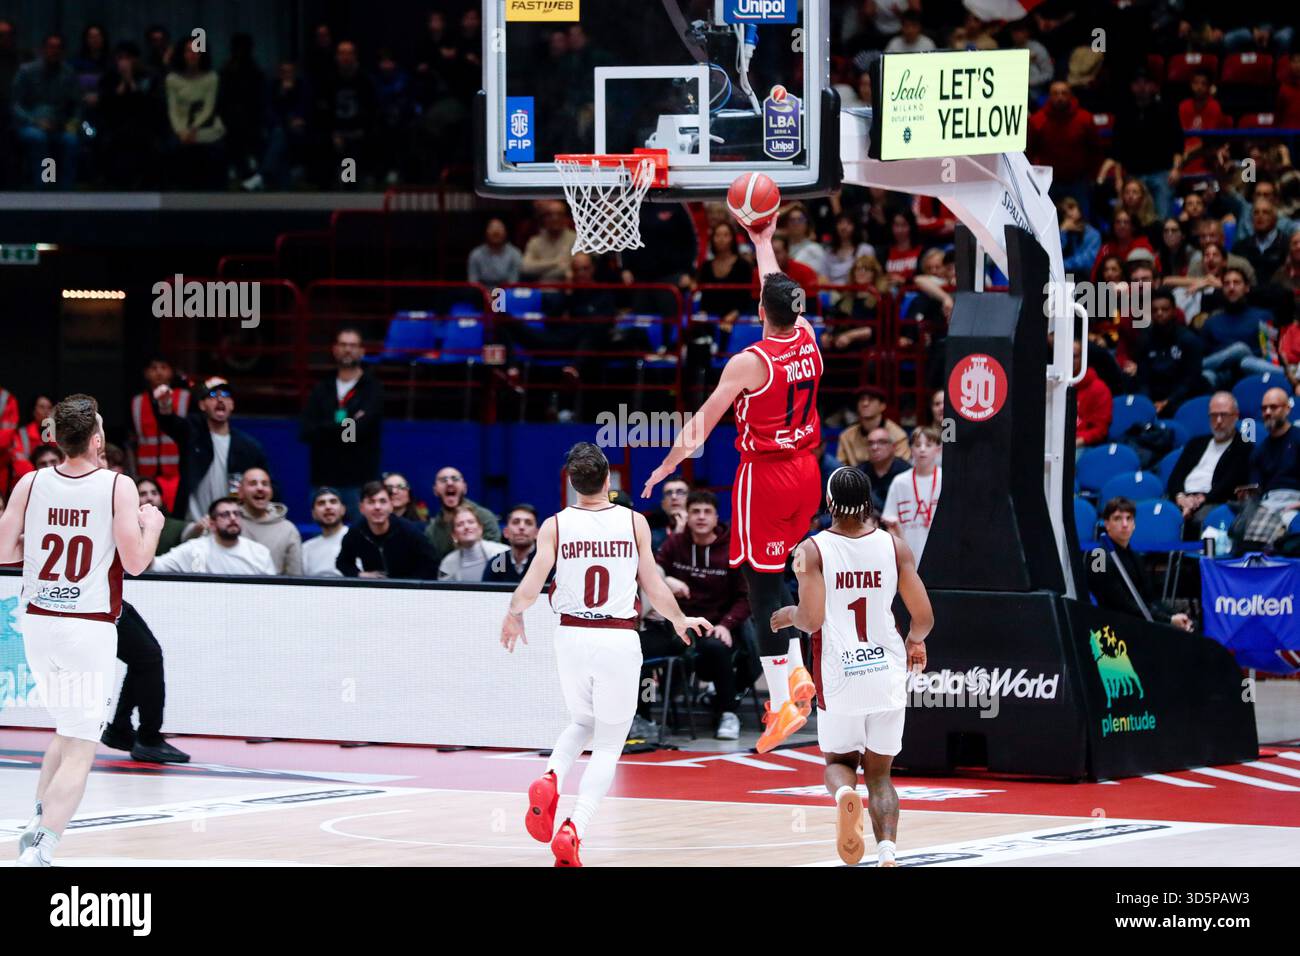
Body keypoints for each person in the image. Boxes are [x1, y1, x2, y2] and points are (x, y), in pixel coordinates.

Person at [643, 214, 823, 754]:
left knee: (760, 583)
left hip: (765, 477)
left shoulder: (749, 362)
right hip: (808, 472)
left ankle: (786, 696)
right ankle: (799, 675)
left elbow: (701, 422)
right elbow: (778, 291)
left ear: (760, 312)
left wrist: (668, 463)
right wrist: (763, 242)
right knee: (788, 574)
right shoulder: (809, 337)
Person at [502, 443, 711, 867]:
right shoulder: (634, 521)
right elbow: (653, 582)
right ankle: (574, 828)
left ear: (571, 483)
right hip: (617, 638)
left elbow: (532, 583)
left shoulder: (555, 525)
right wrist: (678, 619)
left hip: (571, 636)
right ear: (608, 483)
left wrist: (513, 613)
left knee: (581, 722)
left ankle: (551, 776)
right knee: (609, 745)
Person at [0, 394, 164, 866]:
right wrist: (150, 525)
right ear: (96, 439)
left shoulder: (30, 482)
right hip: (86, 627)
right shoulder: (118, 485)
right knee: (83, 743)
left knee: (68, 730)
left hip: (37, 621)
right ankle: (44, 845)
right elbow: (135, 562)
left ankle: (36, 820)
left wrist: (40, 547)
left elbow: (4, 548)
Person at [772, 466, 932, 866]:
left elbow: (810, 620)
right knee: (880, 774)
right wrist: (915, 641)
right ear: (868, 504)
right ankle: (888, 852)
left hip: (840, 674)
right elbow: (924, 617)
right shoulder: (895, 547)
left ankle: (845, 796)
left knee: (839, 763)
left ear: (829, 503)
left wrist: (789, 613)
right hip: (887, 674)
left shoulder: (811, 550)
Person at [650, 490, 753, 740]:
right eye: (695, 511)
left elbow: (746, 597)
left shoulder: (732, 549)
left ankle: (728, 713)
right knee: (642, 646)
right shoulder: (675, 543)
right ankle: (642, 716)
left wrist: (727, 624)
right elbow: (652, 571)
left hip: (717, 625)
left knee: (716, 648)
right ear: (688, 515)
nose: (701, 517)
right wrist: (668, 579)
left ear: (717, 517)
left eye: (707, 512)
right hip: (680, 624)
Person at [153, 376, 268, 523]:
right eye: (213, 395)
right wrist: (164, 404)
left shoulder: (248, 446)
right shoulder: (191, 433)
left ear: (232, 404)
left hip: (232, 526)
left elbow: (268, 484)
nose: (220, 400)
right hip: (193, 525)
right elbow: (170, 422)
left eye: (225, 395)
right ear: (202, 405)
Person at [300, 327, 383, 519]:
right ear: (335, 350)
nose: (347, 350)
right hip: (323, 482)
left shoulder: (372, 388)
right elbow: (306, 431)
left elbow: (358, 432)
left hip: (359, 483)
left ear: (362, 351)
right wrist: (347, 424)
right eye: (343, 345)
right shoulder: (321, 388)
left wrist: (326, 428)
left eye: (353, 345)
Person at [1087, 497, 1194, 631]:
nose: (1124, 524)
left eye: (1129, 518)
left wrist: (1174, 615)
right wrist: (1169, 620)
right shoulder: (1098, 556)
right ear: (1107, 524)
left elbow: (1150, 598)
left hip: (1136, 618)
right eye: (1117, 518)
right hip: (1111, 626)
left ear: (1134, 524)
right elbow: (1119, 603)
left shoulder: (1135, 555)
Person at [1166, 392, 1252, 534]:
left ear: (1236, 416)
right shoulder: (1196, 443)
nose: (1218, 421)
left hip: (1213, 500)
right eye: (1213, 415)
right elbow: (1175, 477)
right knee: (1161, 515)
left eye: (1223, 415)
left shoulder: (1243, 446)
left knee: (1201, 518)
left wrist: (1199, 500)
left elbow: (1230, 483)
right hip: (1183, 499)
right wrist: (1181, 498)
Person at [12, 34, 81, 188]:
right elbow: (15, 105)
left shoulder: (69, 73)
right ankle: (43, 187)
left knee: (71, 141)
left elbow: (77, 105)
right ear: (43, 49)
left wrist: (72, 124)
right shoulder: (27, 72)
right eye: (51, 47)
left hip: (59, 126)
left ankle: (65, 190)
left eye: (58, 48)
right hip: (31, 124)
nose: (54, 51)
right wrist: (35, 121)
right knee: (39, 138)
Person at [337, 481, 438, 579]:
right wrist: (359, 574)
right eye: (371, 502)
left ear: (391, 506)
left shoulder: (407, 530)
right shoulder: (356, 532)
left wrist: (409, 584)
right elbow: (342, 562)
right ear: (361, 508)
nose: (377, 507)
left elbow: (431, 562)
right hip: (375, 590)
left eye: (383, 501)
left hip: (409, 590)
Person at [150, 496, 276, 575]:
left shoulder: (260, 553)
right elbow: (155, 566)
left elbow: (272, 592)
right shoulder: (194, 550)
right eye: (225, 514)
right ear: (212, 523)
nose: (233, 518)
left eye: (236, 514)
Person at [1200, 268, 1281, 388]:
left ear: (1247, 288)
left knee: (1243, 355)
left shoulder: (1263, 316)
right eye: (1227, 284)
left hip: (1251, 370)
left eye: (1236, 282)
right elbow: (1205, 358)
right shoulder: (1211, 322)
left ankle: (1289, 376)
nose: (1231, 288)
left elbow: (1270, 356)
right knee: (1206, 374)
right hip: (1221, 374)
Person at [1130, 288, 1205, 416]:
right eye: (1155, 310)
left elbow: (1191, 379)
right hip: (1153, 399)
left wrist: (1169, 401)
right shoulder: (1144, 339)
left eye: (1165, 309)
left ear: (1174, 311)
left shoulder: (1189, 340)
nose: (1159, 313)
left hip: (1182, 399)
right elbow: (1142, 378)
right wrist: (1147, 403)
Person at [129, 357, 188, 513]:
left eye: (163, 367)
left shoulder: (184, 398)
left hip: (176, 473)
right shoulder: (137, 401)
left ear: (171, 372)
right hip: (145, 474)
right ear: (146, 373)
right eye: (154, 368)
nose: (159, 372)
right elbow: (132, 439)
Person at [881, 426, 943, 563]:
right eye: (917, 445)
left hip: (941, 554)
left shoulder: (945, 479)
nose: (922, 449)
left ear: (938, 449)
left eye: (928, 445)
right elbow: (890, 521)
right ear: (910, 449)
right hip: (909, 552)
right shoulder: (900, 482)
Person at [424, 466, 500, 566]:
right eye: (443, 480)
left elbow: (497, 560)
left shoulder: (485, 518)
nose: (449, 483)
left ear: (465, 488)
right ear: (435, 490)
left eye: (455, 479)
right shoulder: (432, 530)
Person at [237, 467, 302, 575]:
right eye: (253, 483)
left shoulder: (287, 529)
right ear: (240, 492)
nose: (260, 488)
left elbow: (295, 577)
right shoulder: (230, 522)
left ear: (271, 492)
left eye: (265, 484)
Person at [836, 387, 911, 465]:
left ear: (882, 406)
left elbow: (902, 467)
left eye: (871, 400)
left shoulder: (898, 435)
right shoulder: (846, 436)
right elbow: (841, 468)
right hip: (856, 476)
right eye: (861, 400)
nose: (865, 404)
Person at [438, 506, 509, 581]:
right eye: (460, 524)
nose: (466, 527)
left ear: (480, 529)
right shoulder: (447, 563)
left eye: (471, 522)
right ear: (454, 535)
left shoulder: (502, 554)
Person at [483, 504, 540, 583]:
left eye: (528, 523)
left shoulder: (547, 562)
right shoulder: (498, 562)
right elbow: (486, 594)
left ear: (537, 533)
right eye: (516, 522)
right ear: (506, 532)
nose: (521, 527)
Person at [520, 201, 576, 281]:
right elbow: (525, 267)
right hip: (540, 290)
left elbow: (573, 269)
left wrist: (539, 273)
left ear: (566, 218)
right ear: (544, 219)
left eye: (559, 214)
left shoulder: (575, 239)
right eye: (550, 215)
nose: (555, 218)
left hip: (566, 290)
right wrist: (556, 262)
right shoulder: (535, 241)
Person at [861, 426, 911, 514]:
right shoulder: (860, 473)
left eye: (881, 442)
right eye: (870, 443)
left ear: (893, 447)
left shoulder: (906, 472)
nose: (875, 447)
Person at [301, 486, 348, 577]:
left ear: (343, 510)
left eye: (333, 502)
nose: (328, 507)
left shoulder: (359, 539)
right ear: (313, 514)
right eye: (321, 503)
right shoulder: (306, 549)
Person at [135, 477, 186, 555]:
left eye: (154, 493)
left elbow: (190, 532)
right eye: (143, 494)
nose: (150, 498)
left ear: (161, 497)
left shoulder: (177, 526)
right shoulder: (128, 528)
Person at [467, 217, 523, 286]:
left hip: (507, 294)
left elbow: (513, 282)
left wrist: (497, 296)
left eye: (499, 228)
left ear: (505, 232)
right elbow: (473, 283)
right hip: (482, 294)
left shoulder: (515, 254)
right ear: (486, 232)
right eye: (492, 228)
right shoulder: (475, 254)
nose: (496, 231)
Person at [646, 474, 689, 552]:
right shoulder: (651, 537)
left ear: (690, 500)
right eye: (669, 493)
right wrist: (677, 533)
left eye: (680, 492)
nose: (674, 497)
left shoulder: (703, 531)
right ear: (663, 504)